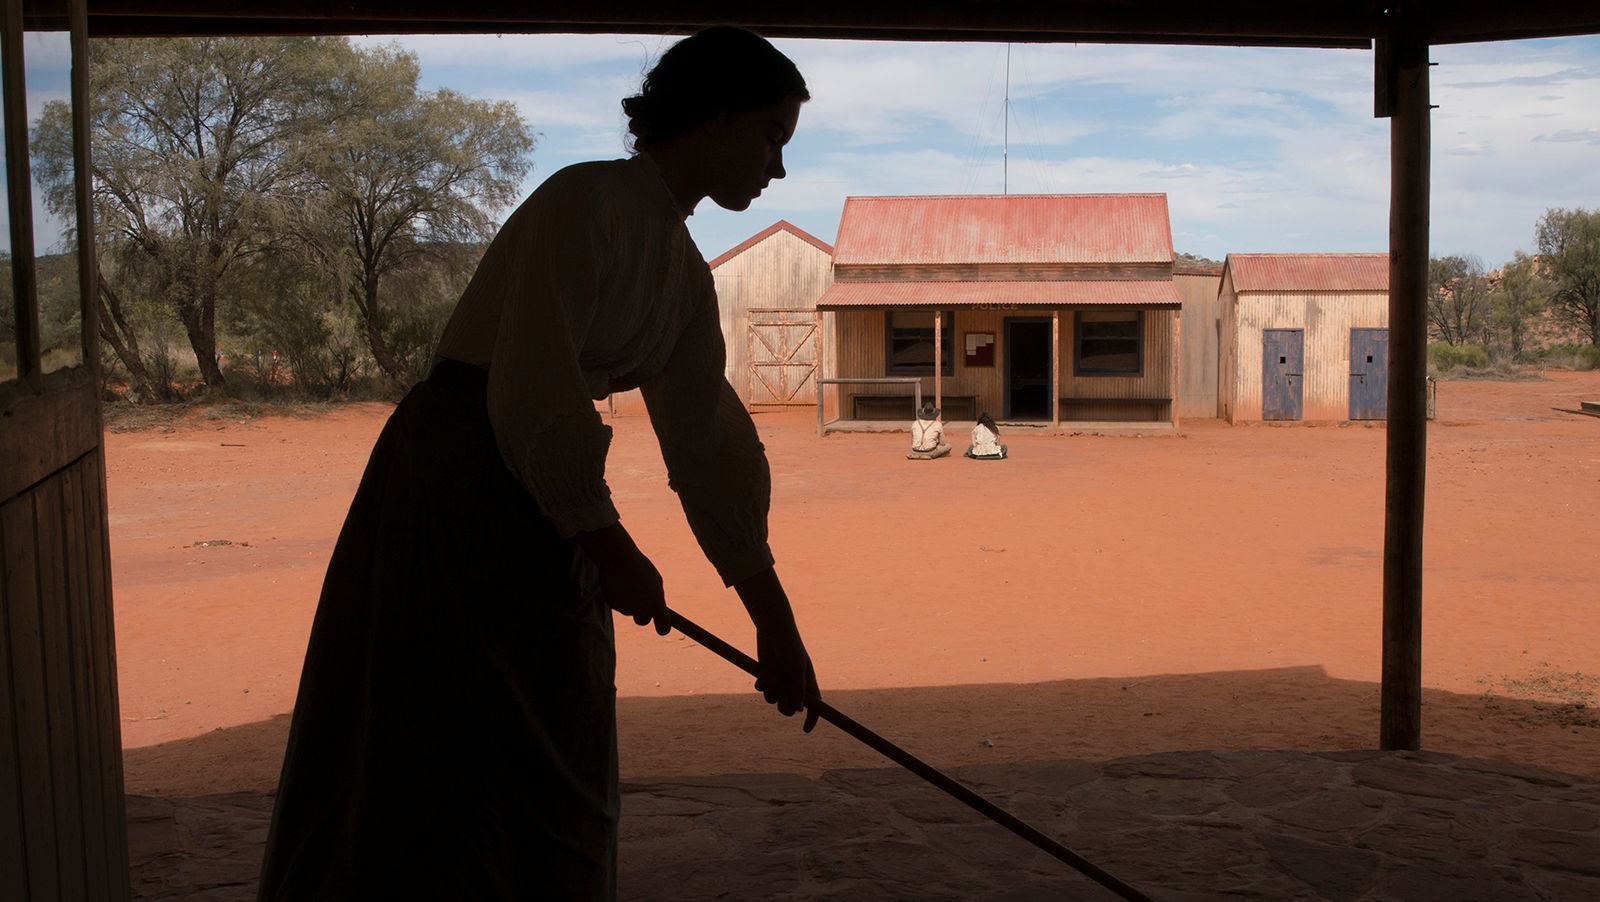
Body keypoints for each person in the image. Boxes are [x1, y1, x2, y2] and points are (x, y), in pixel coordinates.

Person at [258, 27, 822, 902]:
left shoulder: (681, 272)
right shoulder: (584, 203)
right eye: (770, 137)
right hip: (453, 484)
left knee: (557, 722)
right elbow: (529, 393)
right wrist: (607, 546)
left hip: (546, 505)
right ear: (713, 117)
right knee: (433, 731)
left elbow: (707, 447)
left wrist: (774, 623)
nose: (778, 169)